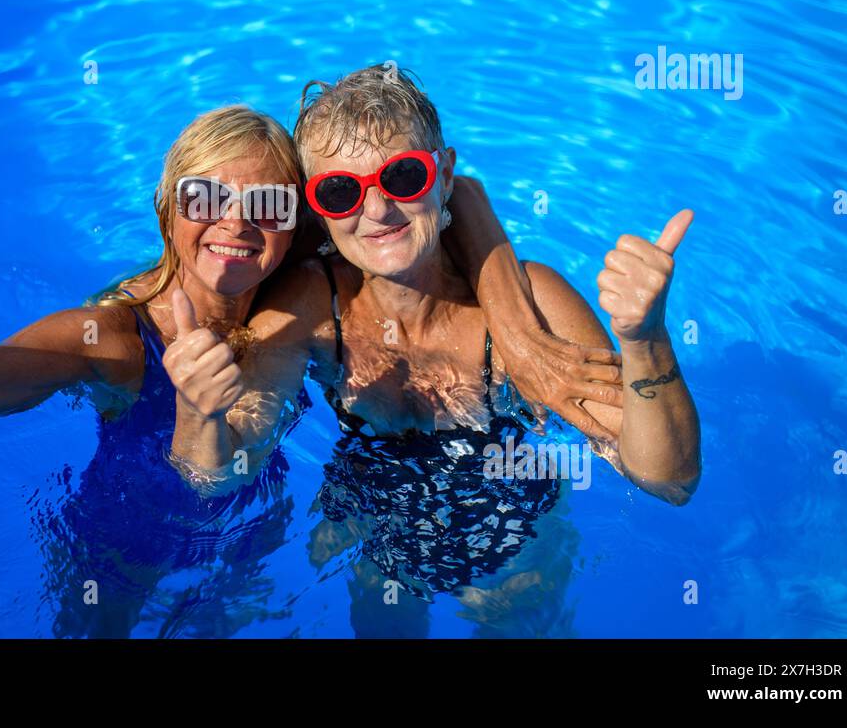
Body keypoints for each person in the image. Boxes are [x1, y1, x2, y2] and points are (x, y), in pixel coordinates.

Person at [0, 103, 607, 633]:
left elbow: (450, 193)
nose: (233, 224)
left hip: (252, 538)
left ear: (296, 226)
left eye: (265, 206)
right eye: (203, 198)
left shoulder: (302, 295)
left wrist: (513, 313)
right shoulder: (113, 336)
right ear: (165, 209)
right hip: (122, 557)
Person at [165, 66, 701, 502]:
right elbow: (217, 474)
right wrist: (197, 412)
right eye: (339, 191)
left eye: (403, 177)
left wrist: (646, 341)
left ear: (444, 175)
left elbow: (667, 480)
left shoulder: (534, 301)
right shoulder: (311, 304)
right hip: (370, 515)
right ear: (317, 211)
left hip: (510, 521)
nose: (376, 209)